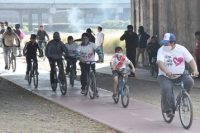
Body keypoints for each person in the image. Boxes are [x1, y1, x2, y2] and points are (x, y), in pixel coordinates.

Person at [157, 33, 199, 117]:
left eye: (166, 43)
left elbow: (191, 60)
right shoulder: (161, 50)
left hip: (181, 73)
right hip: (165, 76)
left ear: (173, 43)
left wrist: (195, 70)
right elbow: (160, 63)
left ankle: (184, 97)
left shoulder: (181, 49)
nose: (164, 45)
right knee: (166, 88)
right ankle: (168, 110)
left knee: (189, 81)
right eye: (164, 43)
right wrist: (166, 71)